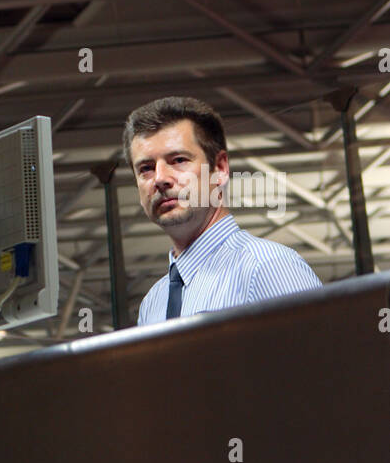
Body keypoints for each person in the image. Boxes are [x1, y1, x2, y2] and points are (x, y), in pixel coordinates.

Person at [123, 95, 321, 325]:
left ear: (220, 168)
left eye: (178, 160)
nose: (159, 178)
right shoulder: (153, 304)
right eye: (146, 168)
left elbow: (324, 360)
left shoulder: (267, 267)